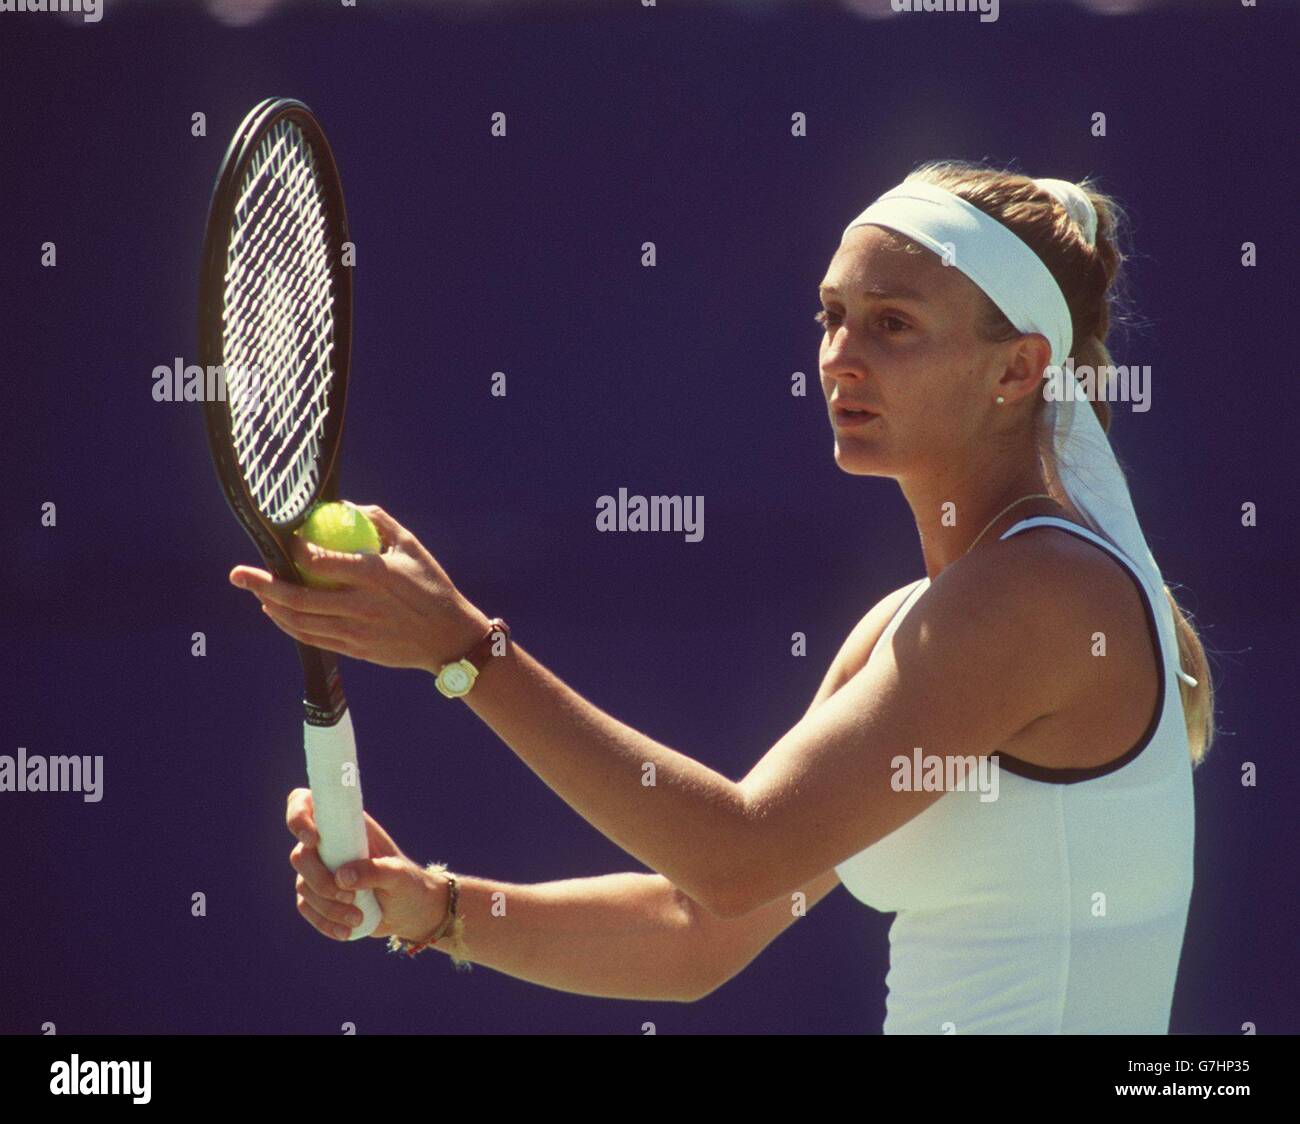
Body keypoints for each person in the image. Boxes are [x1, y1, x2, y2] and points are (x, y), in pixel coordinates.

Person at [229, 159, 1215, 1032]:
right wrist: (436, 907)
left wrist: (463, 651)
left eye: (893, 323)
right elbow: (700, 927)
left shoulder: (1043, 593)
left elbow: (740, 854)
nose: (839, 354)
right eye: (830, 314)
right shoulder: (914, 626)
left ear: (1017, 368)